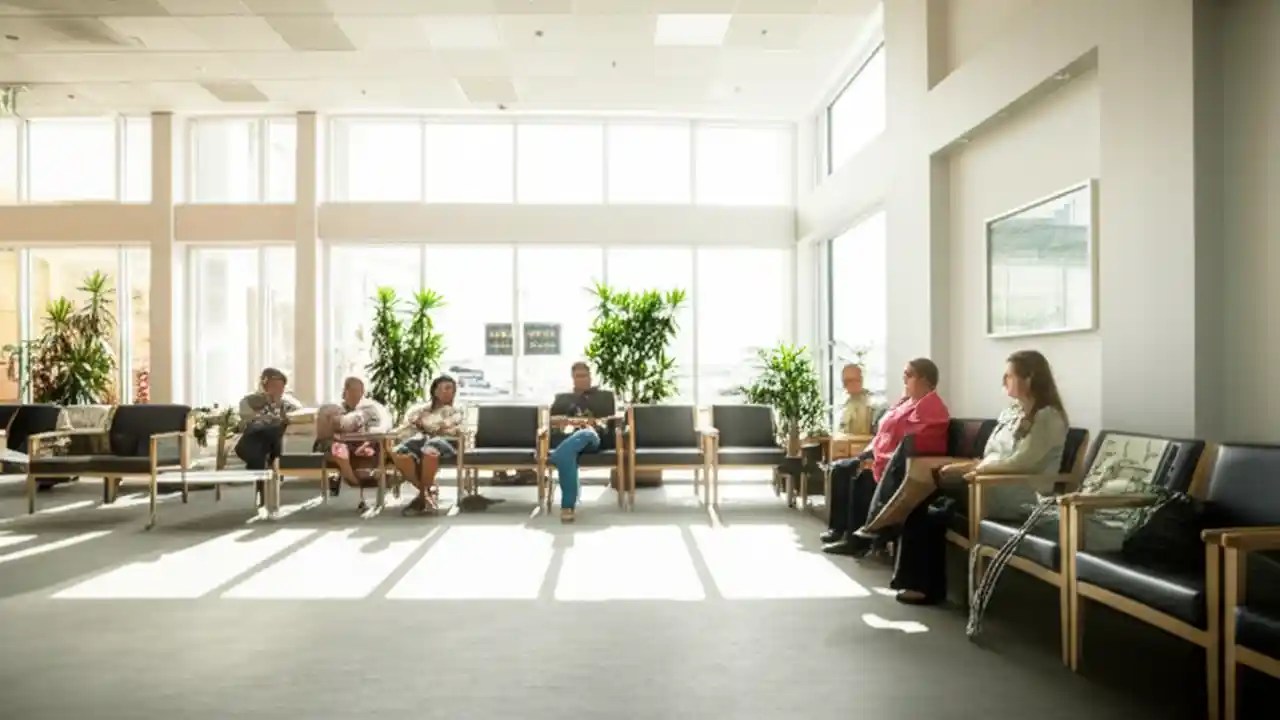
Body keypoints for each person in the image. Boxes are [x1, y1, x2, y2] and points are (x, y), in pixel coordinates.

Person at [890, 350, 1068, 605]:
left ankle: (890, 531)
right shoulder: (1012, 413)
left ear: (1028, 379)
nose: (1003, 381)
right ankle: (922, 583)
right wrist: (974, 468)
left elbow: (1022, 462)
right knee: (923, 504)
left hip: (1019, 493)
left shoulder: (1048, 417)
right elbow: (990, 453)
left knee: (924, 493)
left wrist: (974, 471)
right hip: (988, 483)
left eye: (1009, 376)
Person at [822, 358, 950, 556]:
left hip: (897, 465)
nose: (904, 379)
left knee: (859, 475)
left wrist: (879, 460)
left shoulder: (930, 406)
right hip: (879, 455)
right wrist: (868, 452)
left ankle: (855, 541)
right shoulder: (905, 402)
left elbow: (912, 444)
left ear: (924, 379)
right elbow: (883, 432)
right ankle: (839, 529)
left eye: (909, 375)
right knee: (840, 468)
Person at [548, 361, 618, 523]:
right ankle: (567, 507)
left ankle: (559, 455)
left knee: (585, 434)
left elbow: (613, 419)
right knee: (568, 454)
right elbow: (550, 420)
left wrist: (594, 422)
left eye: (585, 376)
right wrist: (567, 421)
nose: (582, 380)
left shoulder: (604, 397)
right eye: (578, 376)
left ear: (590, 376)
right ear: (572, 378)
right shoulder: (563, 399)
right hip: (570, 439)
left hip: (594, 438)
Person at [319, 376, 392, 512]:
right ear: (344, 392)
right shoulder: (335, 409)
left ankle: (356, 484)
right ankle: (354, 481)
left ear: (363, 391)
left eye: (358, 391)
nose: (354, 394)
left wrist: (368, 436)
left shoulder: (370, 407)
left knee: (364, 452)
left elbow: (379, 425)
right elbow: (328, 433)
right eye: (350, 391)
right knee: (338, 449)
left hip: (365, 445)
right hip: (340, 445)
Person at [393, 375, 463, 516]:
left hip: (446, 443)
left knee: (430, 448)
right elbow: (407, 426)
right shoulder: (419, 409)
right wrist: (422, 425)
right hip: (419, 441)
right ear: (434, 391)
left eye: (453, 389)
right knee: (400, 452)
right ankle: (426, 494)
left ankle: (421, 498)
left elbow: (449, 428)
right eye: (446, 388)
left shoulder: (456, 410)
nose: (450, 392)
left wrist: (425, 424)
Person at [235, 368, 303, 505]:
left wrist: (279, 410)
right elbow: (247, 419)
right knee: (266, 433)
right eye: (275, 386)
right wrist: (267, 414)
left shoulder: (287, 404)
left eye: (281, 387)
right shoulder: (250, 401)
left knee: (273, 433)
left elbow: (299, 414)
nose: (278, 390)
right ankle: (266, 474)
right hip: (252, 440)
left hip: (270, 445)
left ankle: (260, 483)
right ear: (264, 385)